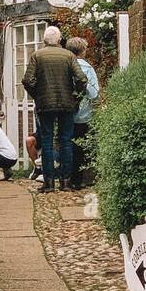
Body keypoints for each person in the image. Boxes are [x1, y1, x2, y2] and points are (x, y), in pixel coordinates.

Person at [21, 26, 87, 193]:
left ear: (44, 41)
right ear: (59, 40)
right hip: (67, 104)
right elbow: (81, 79)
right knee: (66, 141)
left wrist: (38, 94)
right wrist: (76, 97)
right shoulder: (69, 55)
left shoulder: (37, 56)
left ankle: (49, 183)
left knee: (47, 142)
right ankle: (66, 182)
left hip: (45, 105)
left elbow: (27, 80)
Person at [65, 37, 99, 189]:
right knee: (81, 147)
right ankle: (79, 180)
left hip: (66, 111)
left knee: (66, 145)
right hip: (84, 113)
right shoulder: (87, 68)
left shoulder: (64, 66)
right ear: (82, 51)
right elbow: (94, 93)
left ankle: (66, 178)